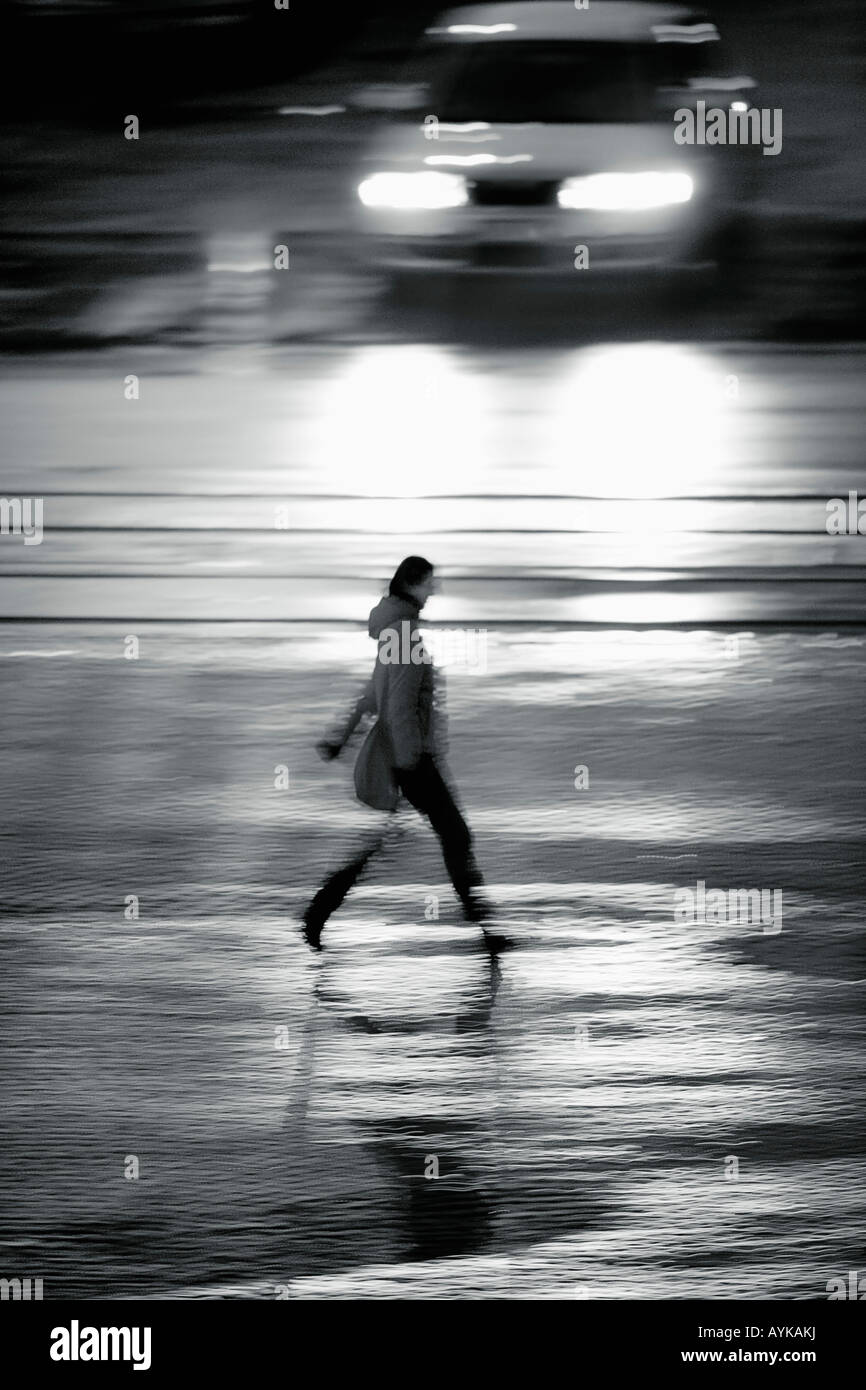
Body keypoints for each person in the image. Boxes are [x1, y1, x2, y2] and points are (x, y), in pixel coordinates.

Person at [301, 556, 507, 955]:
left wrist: (340, 737)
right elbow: (395, 705)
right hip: (412, 758)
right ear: (412, 584)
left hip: (408, 755)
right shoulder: (404, 634)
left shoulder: (397, 631)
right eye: (430, 583)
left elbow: (373, 692)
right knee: (454, 834)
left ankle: (319, 910)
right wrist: (411, 760)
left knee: (393, 840)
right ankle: (489, 931)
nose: (435, 590)